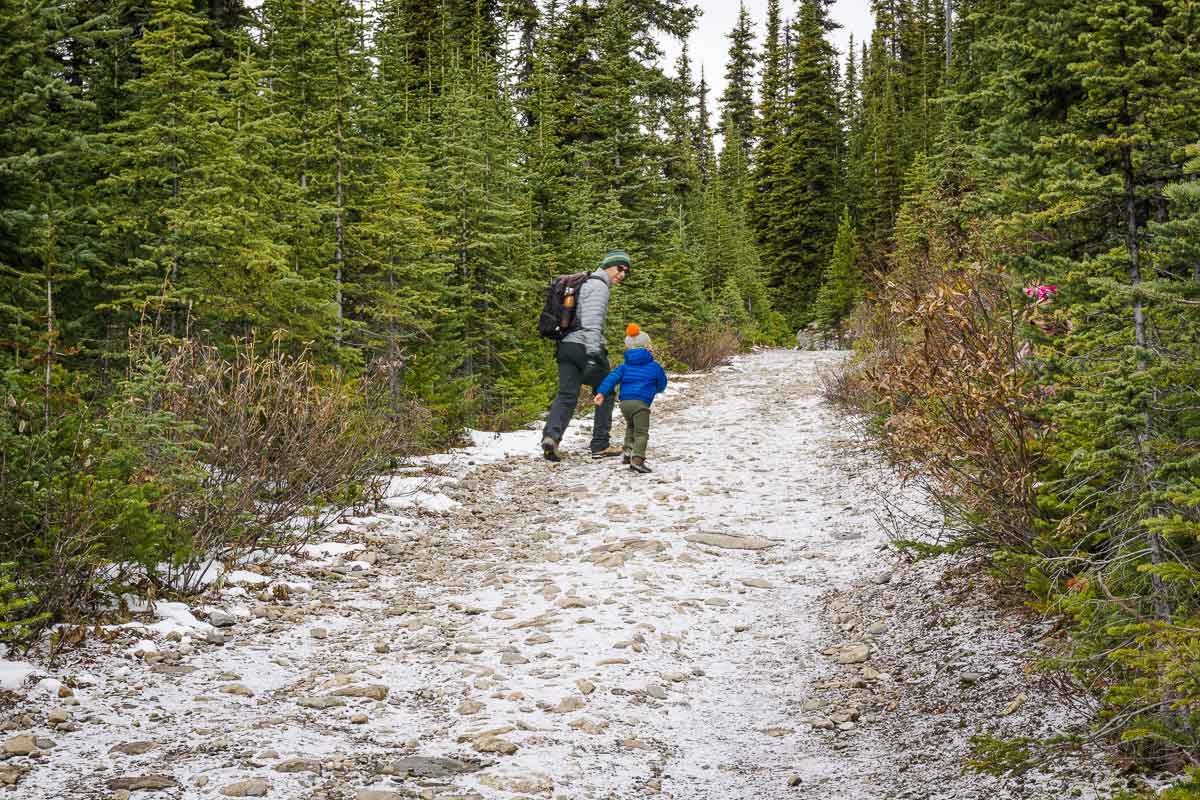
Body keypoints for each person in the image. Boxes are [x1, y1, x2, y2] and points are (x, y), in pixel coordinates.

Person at [541, 251, 630, 462]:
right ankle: (600, 445)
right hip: (585, 347)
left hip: (566, 346)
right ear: (608, 266)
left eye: (626, 271)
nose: (623, 274)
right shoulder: (599, 286)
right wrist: (593, 354)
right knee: (606, 392)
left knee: (566, 395)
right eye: (620, 268)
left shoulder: (585, 283)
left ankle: (551, 438)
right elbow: (592, 322)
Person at [593, 324, 668, 474]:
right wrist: (656, 389)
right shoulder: (654, 366)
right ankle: (637, 460)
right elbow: (662, 383)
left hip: (625, 403)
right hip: (641, 403)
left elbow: (611, 378)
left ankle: (627, 452)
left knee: (631, 426)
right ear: (648, 347)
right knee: (641, 432)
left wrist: (601, 392)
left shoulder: (624, 366)